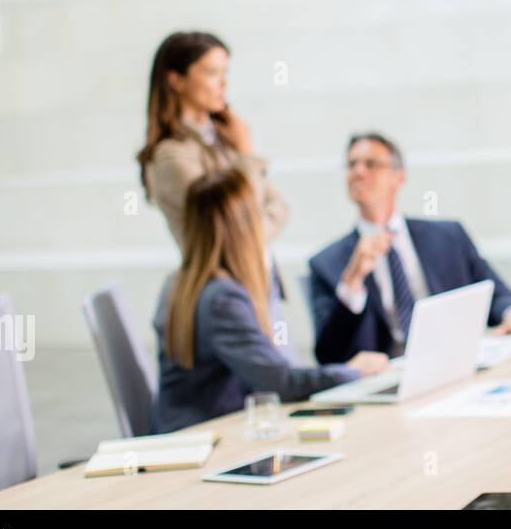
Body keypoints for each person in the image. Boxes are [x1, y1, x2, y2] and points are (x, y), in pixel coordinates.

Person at [151, 169, 375, 433]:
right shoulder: (222, 299)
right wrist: (354, 371)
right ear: (244, 228)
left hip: (188, 431)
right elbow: (281, 382)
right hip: (209, 435)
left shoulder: (180, 283)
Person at [309, 132, 511, 365]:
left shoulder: (448, 236)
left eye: (371, 164)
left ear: (398, 177)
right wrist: (352, 282)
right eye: (352, 165)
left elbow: (494, 291)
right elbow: (330, 355)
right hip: (388, 377)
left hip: (455, 363)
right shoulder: (327, 263)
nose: (359, 172)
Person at [136, 31, 288, 253]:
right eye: (212, 72)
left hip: (262, 279)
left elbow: (280, 207)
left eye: (225, 72)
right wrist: (246, 153)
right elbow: (235, 233)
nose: (224, 83)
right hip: (222, 283)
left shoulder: (225, 138)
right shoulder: (172, 155)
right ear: (176, 80)